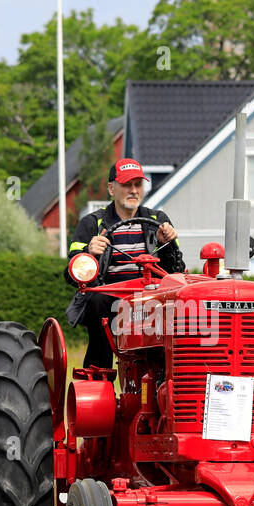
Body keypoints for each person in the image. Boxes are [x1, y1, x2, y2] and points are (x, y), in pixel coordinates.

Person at [65, 158, 186, 369]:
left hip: (152, 298)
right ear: (111, 189)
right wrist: (89, 252)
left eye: (137, 185)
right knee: (96, 301)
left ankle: (176, 374)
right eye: (126, 185)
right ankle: (99, 373)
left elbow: (176, 270)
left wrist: (164, 243)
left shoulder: (159, 219)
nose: (133, 190)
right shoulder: (92, 224)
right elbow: (70, 274)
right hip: (111, 300)